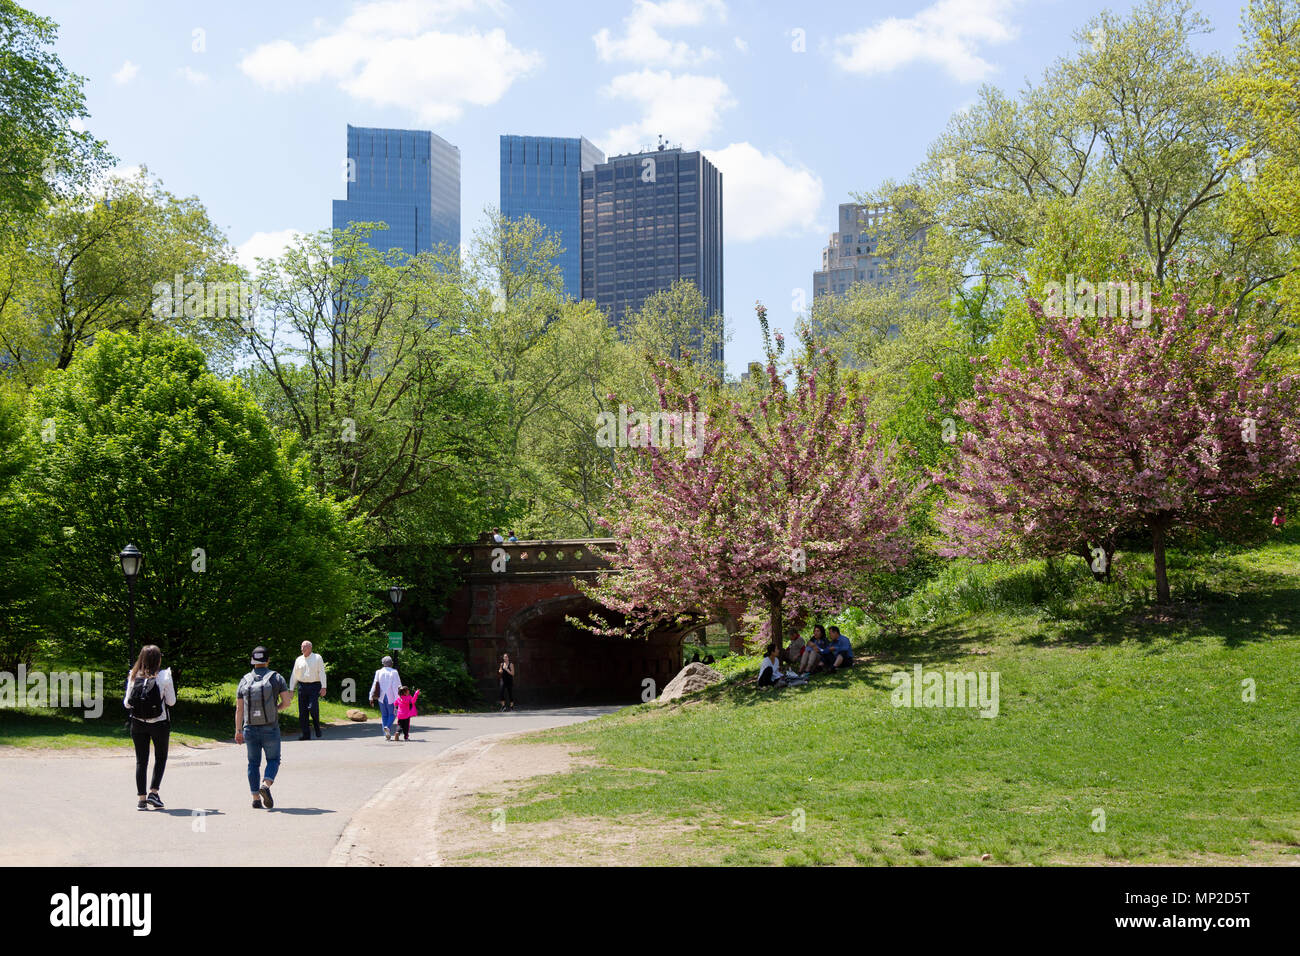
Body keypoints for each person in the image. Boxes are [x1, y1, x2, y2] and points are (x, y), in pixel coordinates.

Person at [235, 646, 291, 809]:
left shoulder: (244, 680)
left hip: (250, 728)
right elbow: (286, 702)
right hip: (270, 727)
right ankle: (265, 786)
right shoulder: (276, 678)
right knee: (273, 760)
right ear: (268, 660)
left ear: (253, 661)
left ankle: (255, 799)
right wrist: (276, 709)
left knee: (253, 763)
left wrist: (238, 730)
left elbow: (239, 709)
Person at [124, 644, 176, 811]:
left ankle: (141, 800)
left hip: (138, 723)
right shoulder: (164, 676)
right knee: (160, 757)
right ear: (158, 659)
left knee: (141, 761)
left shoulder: (133, 676)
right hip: (159, 723)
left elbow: (126, 703)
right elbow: (171, 702)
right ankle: (154, 792)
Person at [289, 640, 327, 740]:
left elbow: (322, 672)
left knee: (312, 707)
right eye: (301, 647)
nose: (302, 649)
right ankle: (306, 734)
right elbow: (294, 675)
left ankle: (317, 726)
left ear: (310, 648)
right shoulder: (298, 659)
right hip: (302, 686)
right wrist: (291, 689)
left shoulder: (317, 657)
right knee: (303, 712)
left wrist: (324, 687)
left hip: (314, 686)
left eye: (304, 647)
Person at [369, 655, 403, 740]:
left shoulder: (378, 672)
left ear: (383, 663)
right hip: (391, 696)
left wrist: (371, 697)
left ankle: (385, 734)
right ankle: (387, 727)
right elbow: (396, 686)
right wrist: (399, 698)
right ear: (391, 663)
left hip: (381, 696)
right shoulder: (394, 672)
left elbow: (374, 684)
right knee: (393, 714)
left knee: (384, 715)